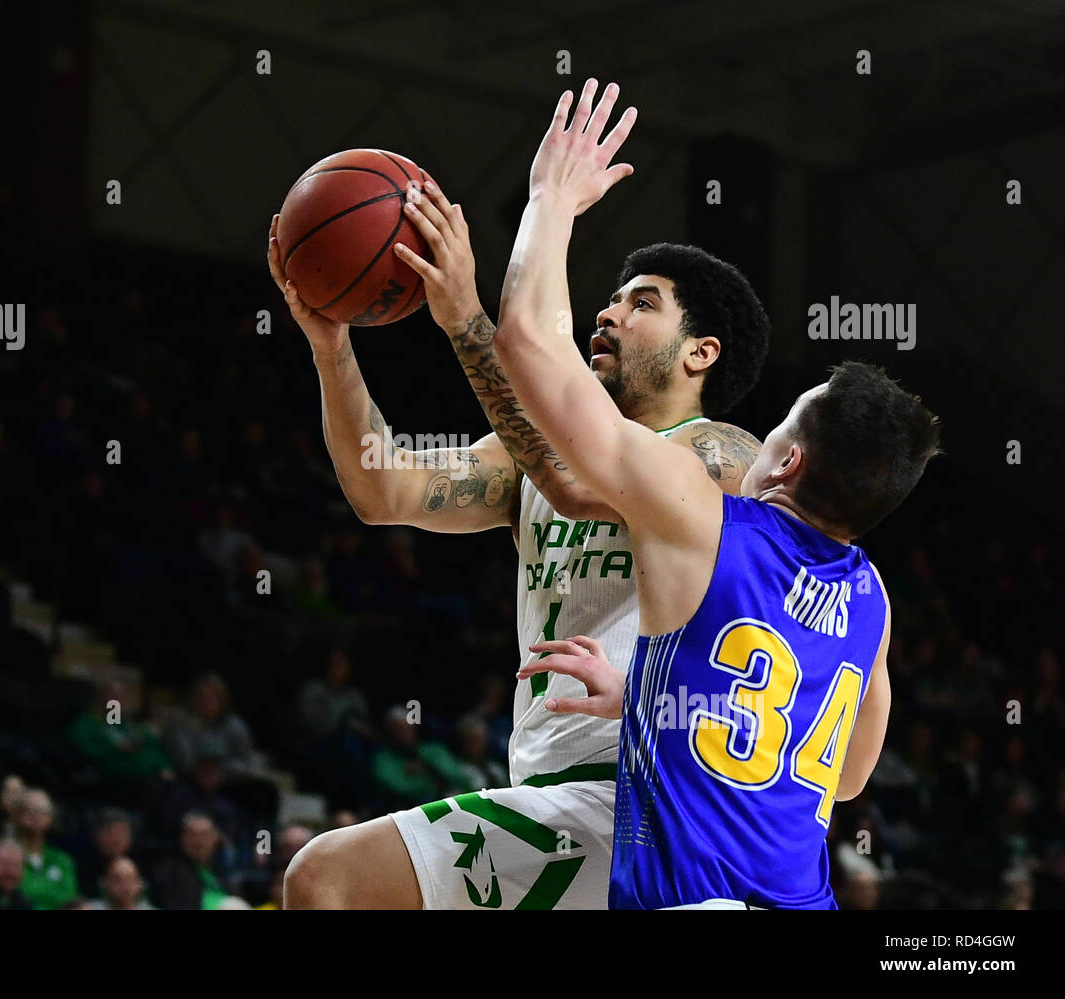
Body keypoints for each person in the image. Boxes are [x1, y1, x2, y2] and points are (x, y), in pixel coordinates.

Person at [271, 127, 770, 909]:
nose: (609, 314)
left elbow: (576, 475)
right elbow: (384, 490)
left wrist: (465, 311)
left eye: (643, 304)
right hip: (552, 791)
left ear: (699, 353)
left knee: (324, 875)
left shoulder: (725, 457)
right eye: (610, 297)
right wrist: (331, 345)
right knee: (323, 880)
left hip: (646, 793)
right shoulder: (527, 461)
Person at [499, 80, 938, 907]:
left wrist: (551, 198)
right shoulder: (872, 599)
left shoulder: (703, 513)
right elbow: (840, 777)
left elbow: (528, 342)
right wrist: (651, 696)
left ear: (785, 465)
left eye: (781, 426)